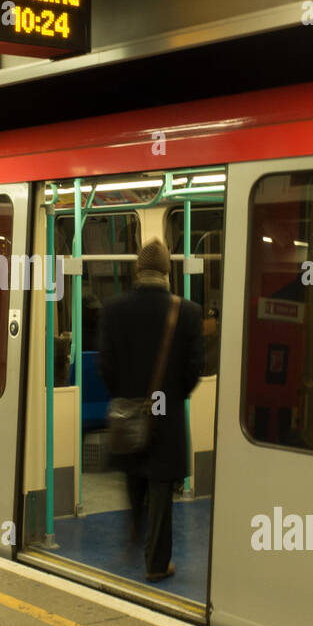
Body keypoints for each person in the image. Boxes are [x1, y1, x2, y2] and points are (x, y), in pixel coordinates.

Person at [99, 239, 204, 583]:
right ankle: (156, 563)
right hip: (166, 418)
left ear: (137, 270)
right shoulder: (187, 312)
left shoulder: (114, 310)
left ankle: (134, 530)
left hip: (127, 415)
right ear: (167, 271)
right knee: (161, 489)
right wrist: (166, 400)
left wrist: (127, 399)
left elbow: (106, 367)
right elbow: (194, 371)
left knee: (134, 471)